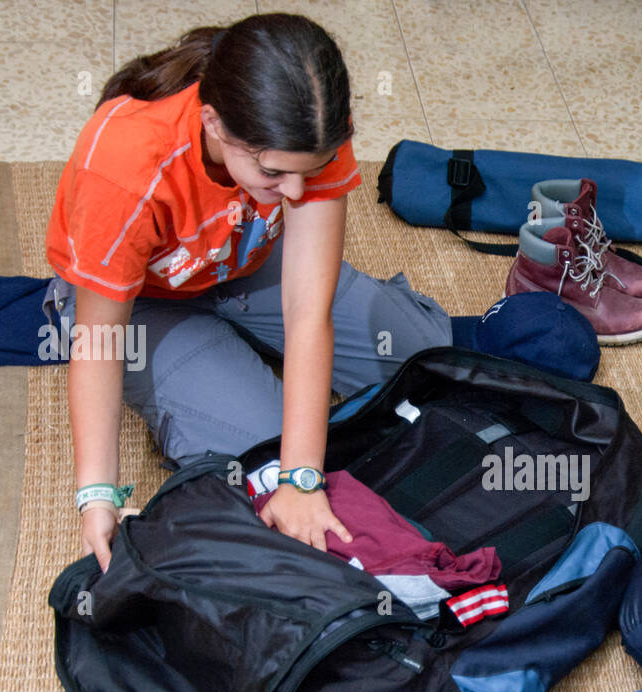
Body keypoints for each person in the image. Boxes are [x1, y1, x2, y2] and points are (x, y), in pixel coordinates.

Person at [43, 13, 452, 570]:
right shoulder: (123, 165)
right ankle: (206, 366)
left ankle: (232, 348)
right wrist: (96, 495)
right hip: (140, 302)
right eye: (275, 175)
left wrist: (304, 477)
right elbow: (99, 341)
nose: (299, 191)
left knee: (427, 360)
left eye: (312, 170)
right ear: (213, 123)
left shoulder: (310, 131)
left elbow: (309, 313)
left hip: (239, 257)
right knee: (261, 448)